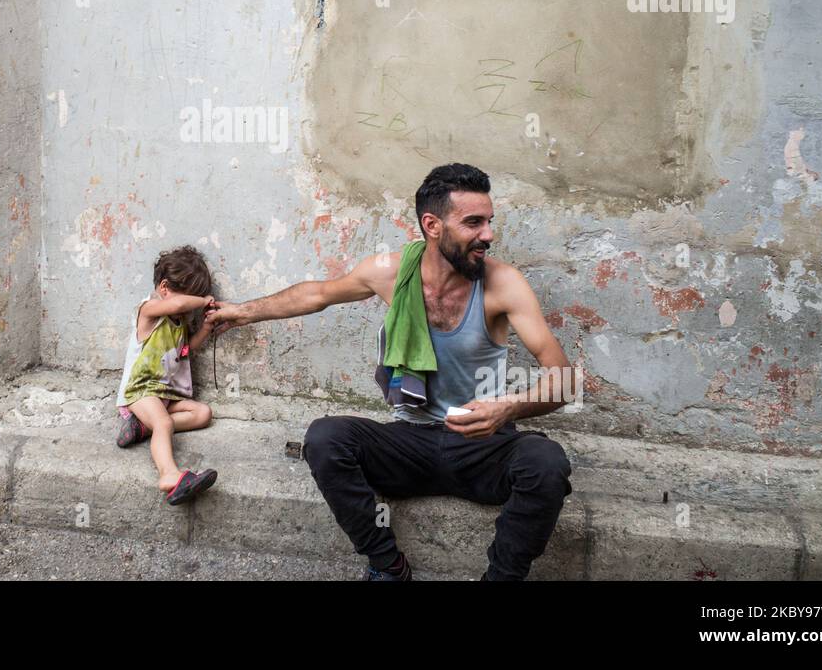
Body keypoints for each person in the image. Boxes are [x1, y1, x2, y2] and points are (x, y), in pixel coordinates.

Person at [206, 163, 576, 580]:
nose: (487, 234)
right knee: (327, 438)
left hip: (482, 446)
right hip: (410, 442)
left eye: (489, 222)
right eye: (473, 222)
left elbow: (563, 378)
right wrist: (241, 312)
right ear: (432, 225)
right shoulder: (390, 272)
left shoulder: (503, 284)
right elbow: (318, 294)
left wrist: (505, 410)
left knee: (545, 462)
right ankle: (388, 566)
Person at [115, 245, 219, 505]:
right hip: (140, 392)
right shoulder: (148, 311)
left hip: (165, 394)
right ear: (164, 288)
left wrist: (206, 327)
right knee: (163, 423)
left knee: (203, 414)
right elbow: (182, 303)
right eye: (188, 302)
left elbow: (187, 350)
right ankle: (169, 475)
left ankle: (142, 427)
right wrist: (205, 300)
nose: (188, 311)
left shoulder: (178, 322)